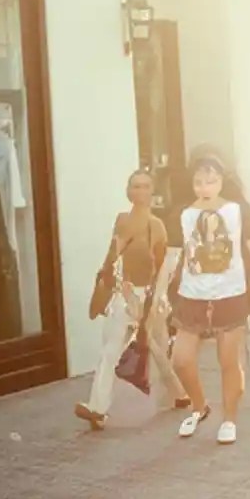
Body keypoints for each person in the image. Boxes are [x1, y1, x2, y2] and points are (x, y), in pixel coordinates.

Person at [77, 170, 189, 429]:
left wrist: (152, 302)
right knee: (111, 350)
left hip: (147, 296)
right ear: (129, 191)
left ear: (152, 191)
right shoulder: (122, 220)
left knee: (154, 348)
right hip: (124, 294)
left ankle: (179, 394)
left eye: (145, 186)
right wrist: (105, 283)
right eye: (135, 186)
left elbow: (161, 266)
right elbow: (112, 254)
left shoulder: (156, 226)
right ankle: (98, 409)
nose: (140, 191)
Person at [170, 155, 250, 445]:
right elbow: (173, 255)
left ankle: (229, 418)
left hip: (230, 293)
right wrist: (162, 290)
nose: (205, 187)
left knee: (228, 360)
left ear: (222, 181)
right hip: (192, 295)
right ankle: (199, 407)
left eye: (211, 180)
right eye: (199, 181)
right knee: (181, 359)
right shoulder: (183, 213)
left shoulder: (238, 211)